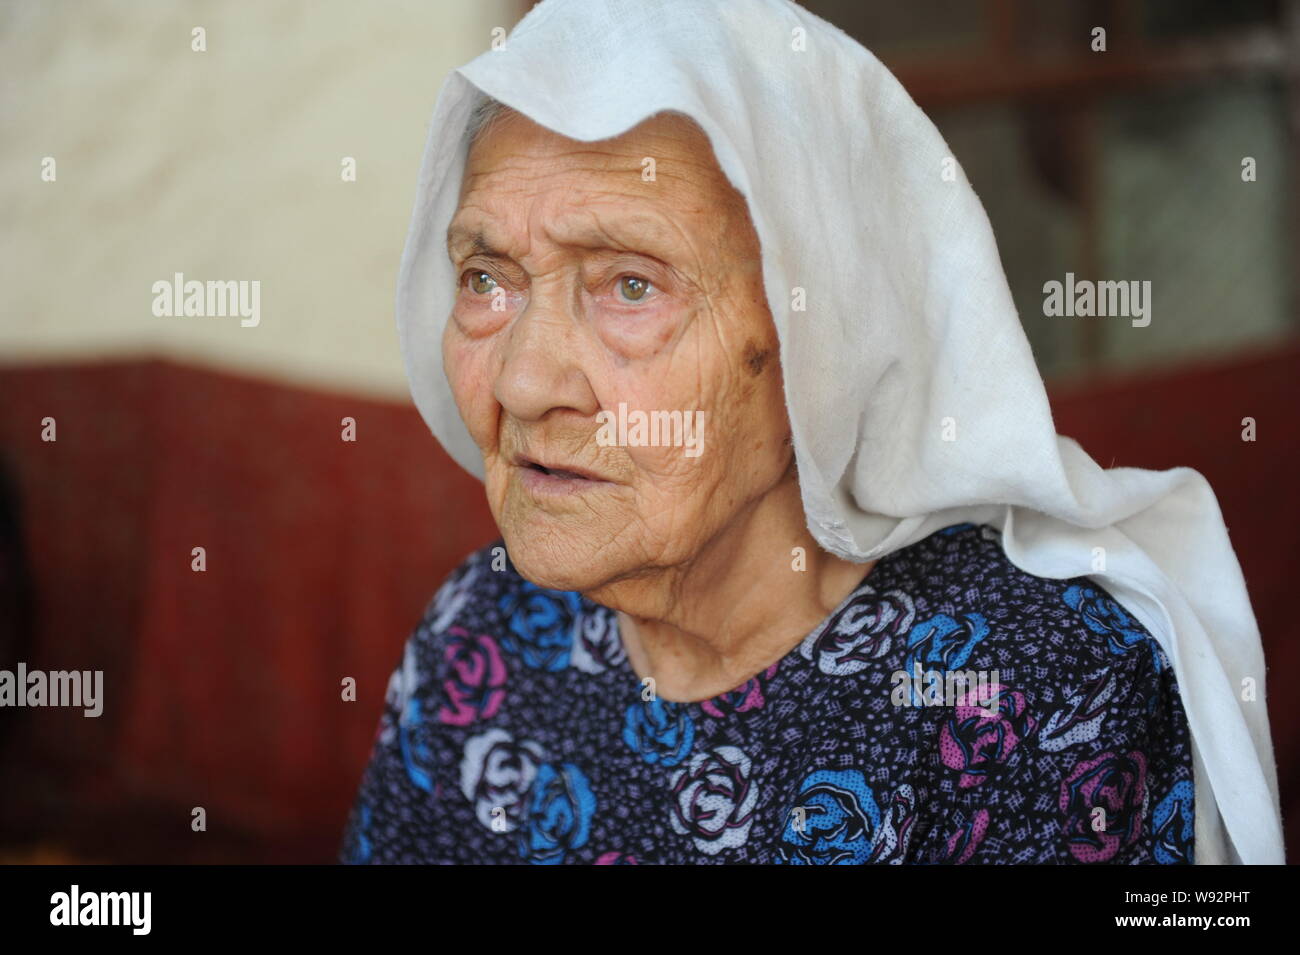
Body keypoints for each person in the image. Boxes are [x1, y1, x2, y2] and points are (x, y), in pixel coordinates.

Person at [340, 0, 1283, 864]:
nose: (523, 380)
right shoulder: (485, 634)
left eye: (632, 284)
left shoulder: (1040, 693)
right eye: (486, 279)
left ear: (817, 338)